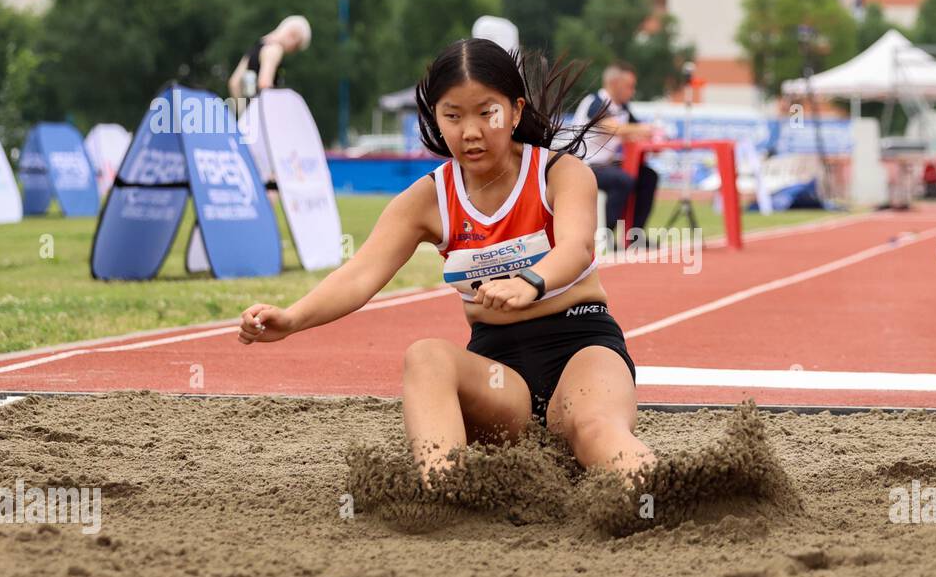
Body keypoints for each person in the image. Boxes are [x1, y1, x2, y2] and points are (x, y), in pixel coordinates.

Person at [236, 38, 654, 486]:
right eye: (452, 115)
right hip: (500, 375)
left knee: (590, 427)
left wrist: (530, 282)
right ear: (435, 118)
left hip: (581, 346)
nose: (469, 131)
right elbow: (360, 274)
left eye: (486, 112)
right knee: (425, 357)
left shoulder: (560, 173)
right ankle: (446, 492)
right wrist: (292, 318)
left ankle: (658, 493)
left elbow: (576, 249)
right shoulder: (427, 199)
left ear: (514, 111)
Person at [571, 61, 659, 243]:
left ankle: (635, 235)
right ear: (613, 83)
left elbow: (635, 131)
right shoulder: (594, 102)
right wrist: (646, 129)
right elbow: (615, 129)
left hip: (607, 164)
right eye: (629, 86)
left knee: (649, 176)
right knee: (621, 180)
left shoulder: (624, 108)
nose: (632, 91)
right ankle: (606, 237)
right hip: (584, 165)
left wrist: (652, 139)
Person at [227, 15, 312, 100]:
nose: (293, 52)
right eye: (296, 47)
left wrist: (246, 111)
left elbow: (234, 83)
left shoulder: (257, 46)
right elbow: (265, 85)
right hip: (265, 108)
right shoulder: (274, 49)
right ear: (292, 35)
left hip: (254, 108)